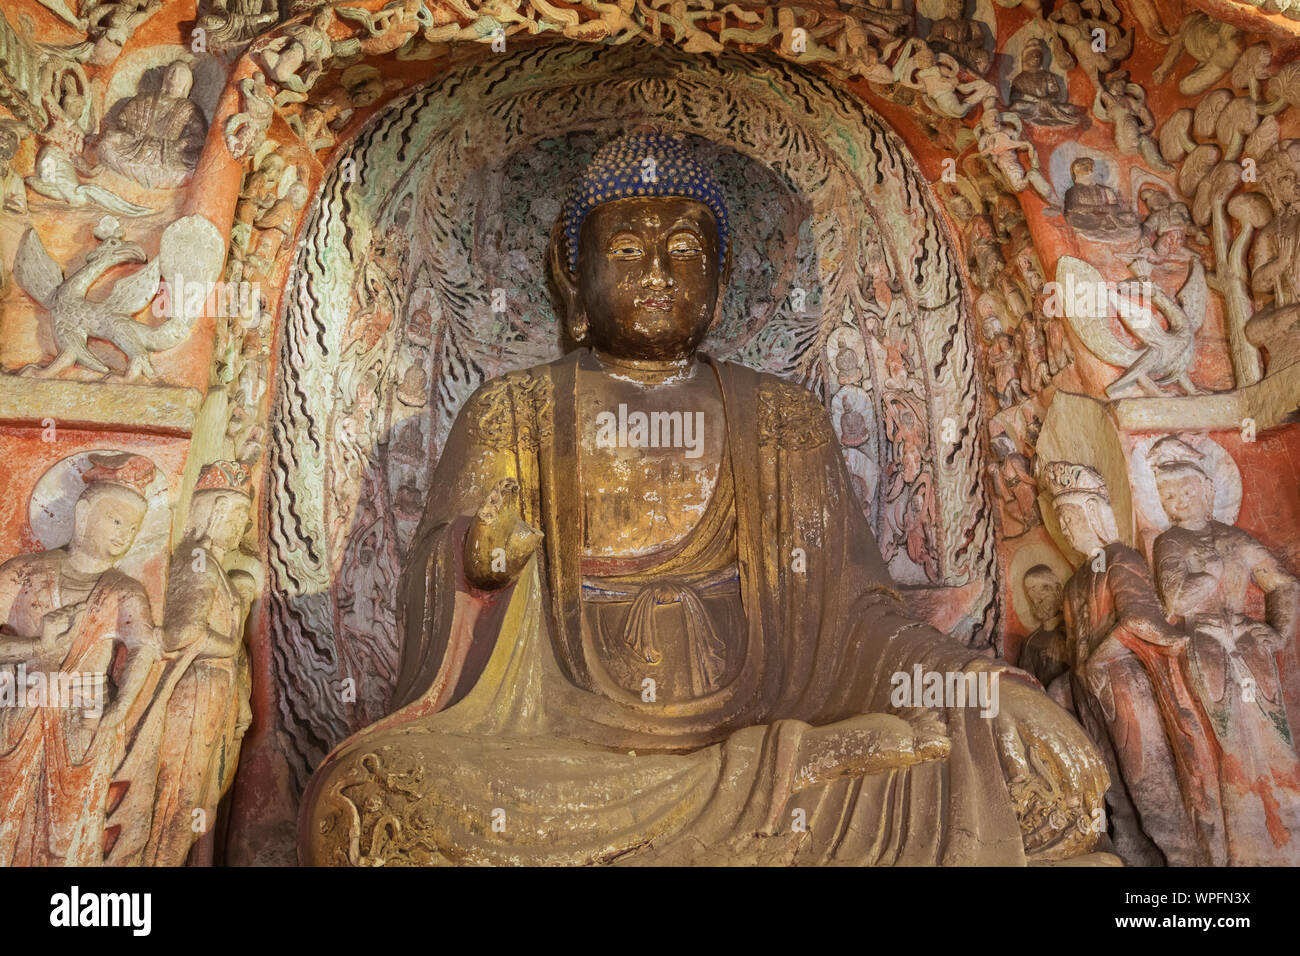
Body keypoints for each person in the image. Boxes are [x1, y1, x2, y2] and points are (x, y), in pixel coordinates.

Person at [299, 132, 1108, 867]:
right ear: (571, 275)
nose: (656, 272)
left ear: (720, 284)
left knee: (1032, 777)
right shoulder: (514, 414)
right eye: (625, 247)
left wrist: (980, 691)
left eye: (684, 249)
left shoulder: (783, 421)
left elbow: (860, 623)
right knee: (375, 800)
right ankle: (782, 776)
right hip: (567, 757)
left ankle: (788, 771)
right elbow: (436, 600)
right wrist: (478, 560)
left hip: (757, 723)